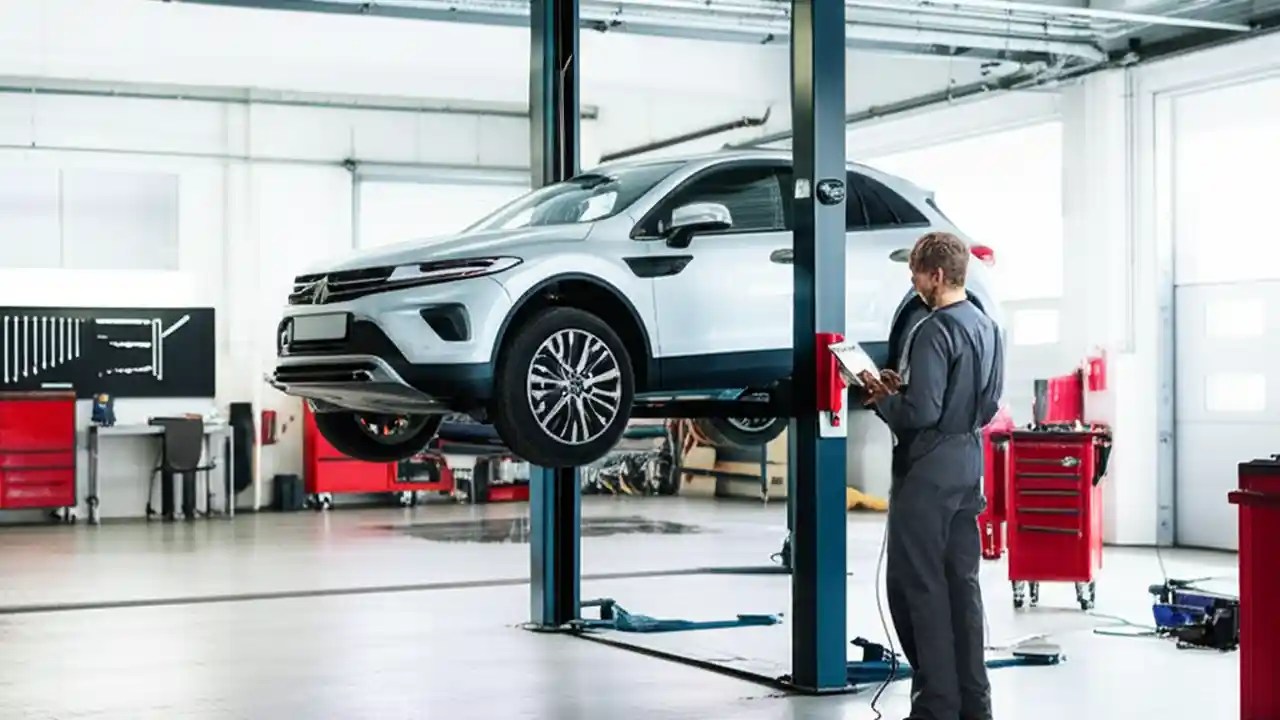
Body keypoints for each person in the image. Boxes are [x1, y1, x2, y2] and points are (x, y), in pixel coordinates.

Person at [856, 231, 1004, 720]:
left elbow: (920, 410)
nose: (913, 283)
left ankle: (935, 707)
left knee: (916, 587)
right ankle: (973, 704)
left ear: (936, 276)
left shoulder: (931, 329)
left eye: (916, 274)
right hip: (968, 462)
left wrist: (881, 397)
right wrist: (911, 390)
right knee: (962, 584)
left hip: (928, 470)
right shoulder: (987, 326)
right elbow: (987, 401)